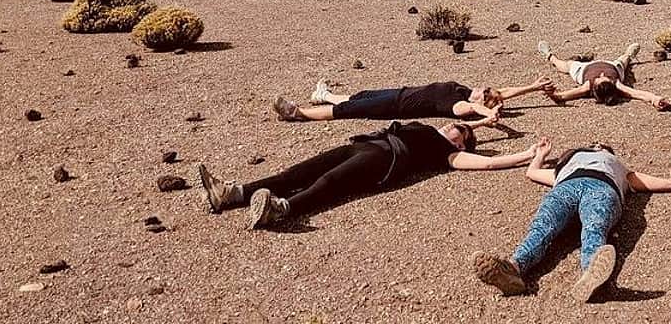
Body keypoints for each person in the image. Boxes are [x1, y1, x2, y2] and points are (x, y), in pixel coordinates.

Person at [196, 120, 544, 229]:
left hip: (386, 159)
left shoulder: (447, 153)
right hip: (366, 144)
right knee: (296, 170)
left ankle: (283, 210)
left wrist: (527, 155)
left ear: (462, 146)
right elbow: (465, 115)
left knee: (330, 184)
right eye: (456, 126)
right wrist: (483, 120)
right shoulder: (430, 127)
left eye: (462, 135)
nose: (455, 130)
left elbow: (484, 164)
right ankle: (234, 193)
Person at [472, 140, 671, 302]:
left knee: (594, 228)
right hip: (568, 185)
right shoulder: (566, 166)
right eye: (595, 145)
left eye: (602, 147)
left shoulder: (624, 170)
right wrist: (541, 154)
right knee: (542, 228)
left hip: (602, 187)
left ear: (609, 152)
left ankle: (591, 276)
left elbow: (669, 183)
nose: (598, 147)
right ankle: (512, 269)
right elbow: (532, 172)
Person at [271, 75, 556, 122]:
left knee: (349, 110)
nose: (485, 88)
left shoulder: (459, 105)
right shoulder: (465, 90)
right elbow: (504, 93)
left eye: (486, 94)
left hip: (395, 106)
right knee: (359, 96)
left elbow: (472, 107)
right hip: (400, 92)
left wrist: (487, 113)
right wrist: (532, 87)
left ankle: (300, 114)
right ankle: (324, 95)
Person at [540, 41, 661, 107]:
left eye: (599, 78)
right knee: (623, 62)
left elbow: (562, 96)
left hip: (583, 69)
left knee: (567, 65)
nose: (602, 74)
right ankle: (629, 55)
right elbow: (638, 94)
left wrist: (552, 93)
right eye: (605, 78)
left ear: (594, 86)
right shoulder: (616, 83)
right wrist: (654, 98)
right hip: (613, 66)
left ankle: (550, 56)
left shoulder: (588, 86)